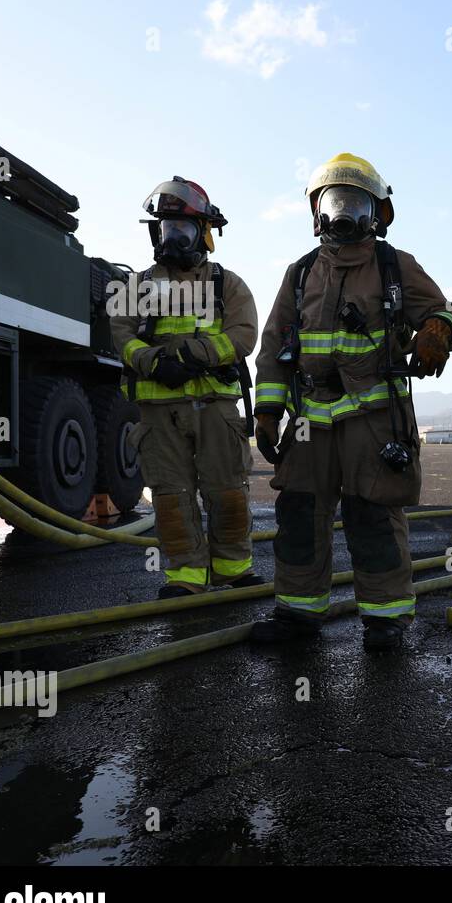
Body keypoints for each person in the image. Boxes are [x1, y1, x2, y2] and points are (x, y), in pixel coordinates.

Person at [251, 153, 452, 651]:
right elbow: (274, 346)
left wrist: (437, 330)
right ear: (317, 212)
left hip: (374, 419)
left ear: (377, 214)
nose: (343, 212)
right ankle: (298, 615)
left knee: (373, 515)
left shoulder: (395, 266)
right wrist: (266, 412)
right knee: (300, 514)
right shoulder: (301, 273)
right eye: (335, 201)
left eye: (355, 202)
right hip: (310, 422)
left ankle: (386, 620)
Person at [111, 177, 260, 598]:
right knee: (171, 498)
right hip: (158, 414)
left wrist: (193, 357)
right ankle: (186, 577)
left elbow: (244, 336)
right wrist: (153, 361)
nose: (173, 238)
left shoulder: (226, 284)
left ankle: (233, 569)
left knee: (227, 491)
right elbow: (120, 335)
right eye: (167, 230)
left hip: (214, 407)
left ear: (205, 234)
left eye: (183, 230)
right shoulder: (135, 286)